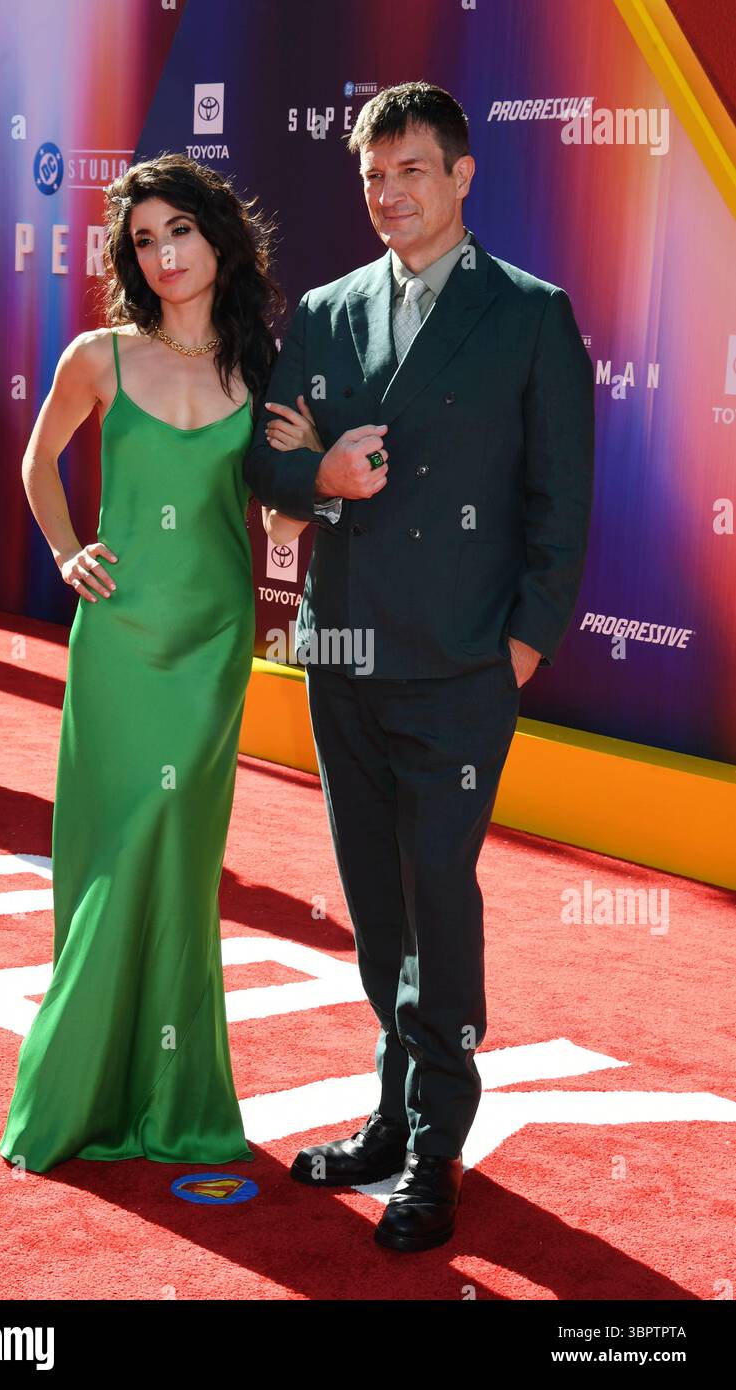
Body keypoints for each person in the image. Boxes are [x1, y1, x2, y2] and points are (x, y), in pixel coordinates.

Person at [243, 82, 595, 1252]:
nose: (387, 195)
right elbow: (268, 460)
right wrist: (314, 482)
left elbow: (560, 501)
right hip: (340, 654)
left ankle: (435, 1145)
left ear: (460, 177)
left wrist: (522, 641)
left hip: (457, 668)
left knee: (438, 903)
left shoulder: (528, 314)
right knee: (375, 901)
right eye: (371, 177)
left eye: (409, 172)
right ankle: (392, 1117)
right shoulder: (329, 309)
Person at [0, 152, 283, 1174]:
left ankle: (169, 1098)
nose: (163, 254)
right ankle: (75, 1094)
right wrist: (66, 546)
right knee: (119, 847)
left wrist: (317, 473)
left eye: (180, 232)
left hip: (212, 648)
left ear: (218, 240)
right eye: (145, 238)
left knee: (176, 853)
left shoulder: (257, 369)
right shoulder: (99, 356)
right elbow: (36, 460)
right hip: (120, 642)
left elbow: (281, 510)